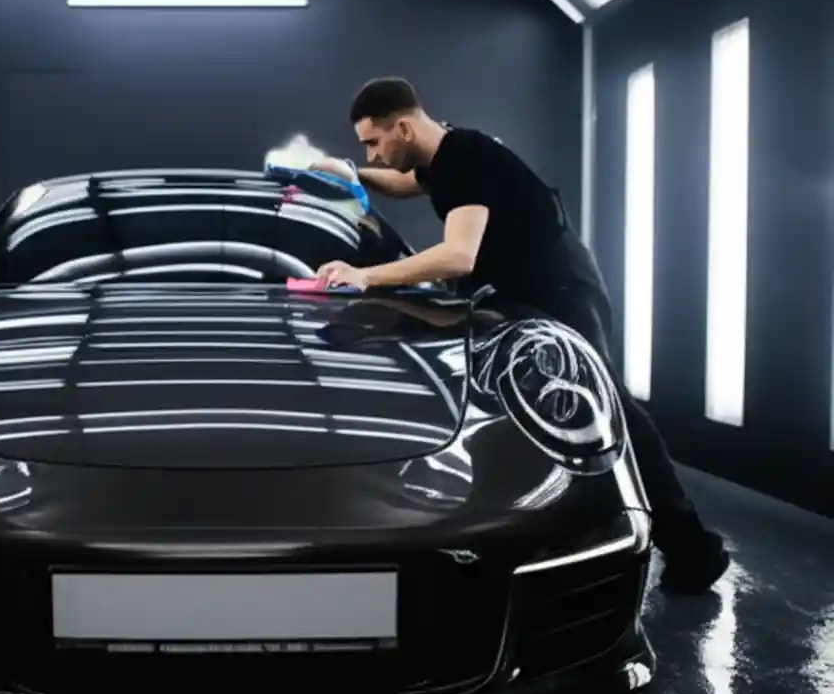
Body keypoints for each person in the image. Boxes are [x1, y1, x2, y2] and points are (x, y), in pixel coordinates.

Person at [311, 76, 730, 595]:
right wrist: (349, 173)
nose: (372, 152)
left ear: (402, 126)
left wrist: (364, 275)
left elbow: (457, 255)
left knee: (608, 409)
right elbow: (404, 183)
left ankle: (693, 549)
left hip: (561, 287)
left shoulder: (469, 160)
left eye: (372, 143)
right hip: (522, 288)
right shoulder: (446, 154)